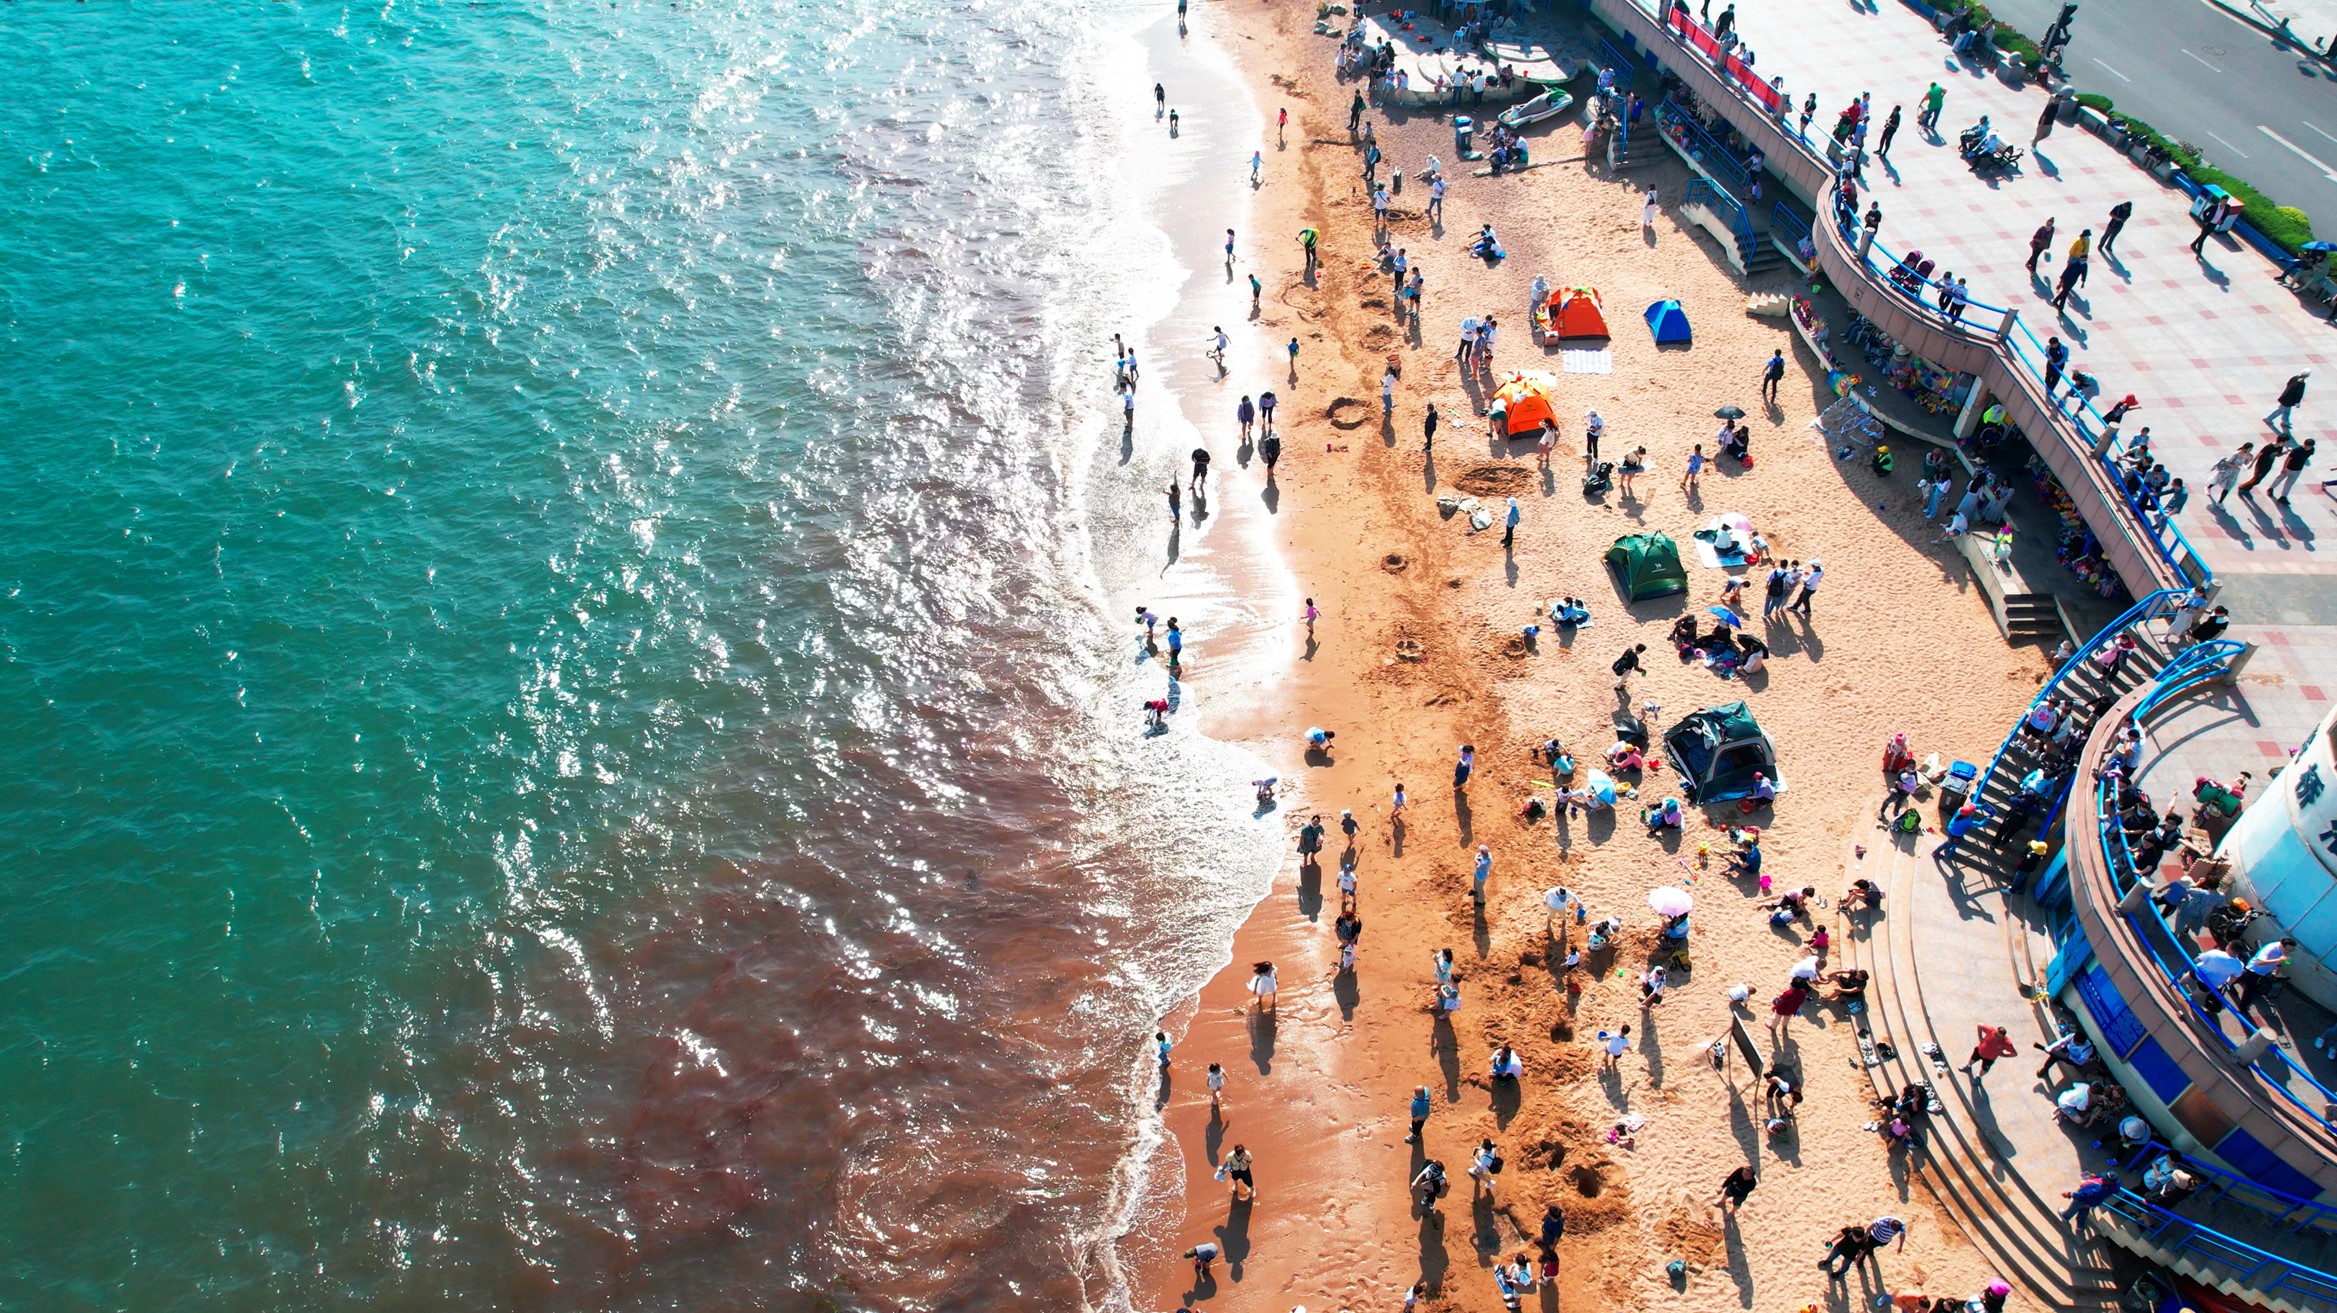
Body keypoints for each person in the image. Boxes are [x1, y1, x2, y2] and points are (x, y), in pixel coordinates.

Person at [2269, 438, 2317, 504]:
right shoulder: (2297, 450)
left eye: (2309, 446)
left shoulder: (2312, 450)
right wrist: (2284, 468)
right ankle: (2271, 488)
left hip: (2298, 470)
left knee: (2289, 483)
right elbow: (2288, 459)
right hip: (2289, 468)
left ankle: (2283, 496)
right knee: (2279, 478)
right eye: (2306, 445)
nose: (2307, 447)